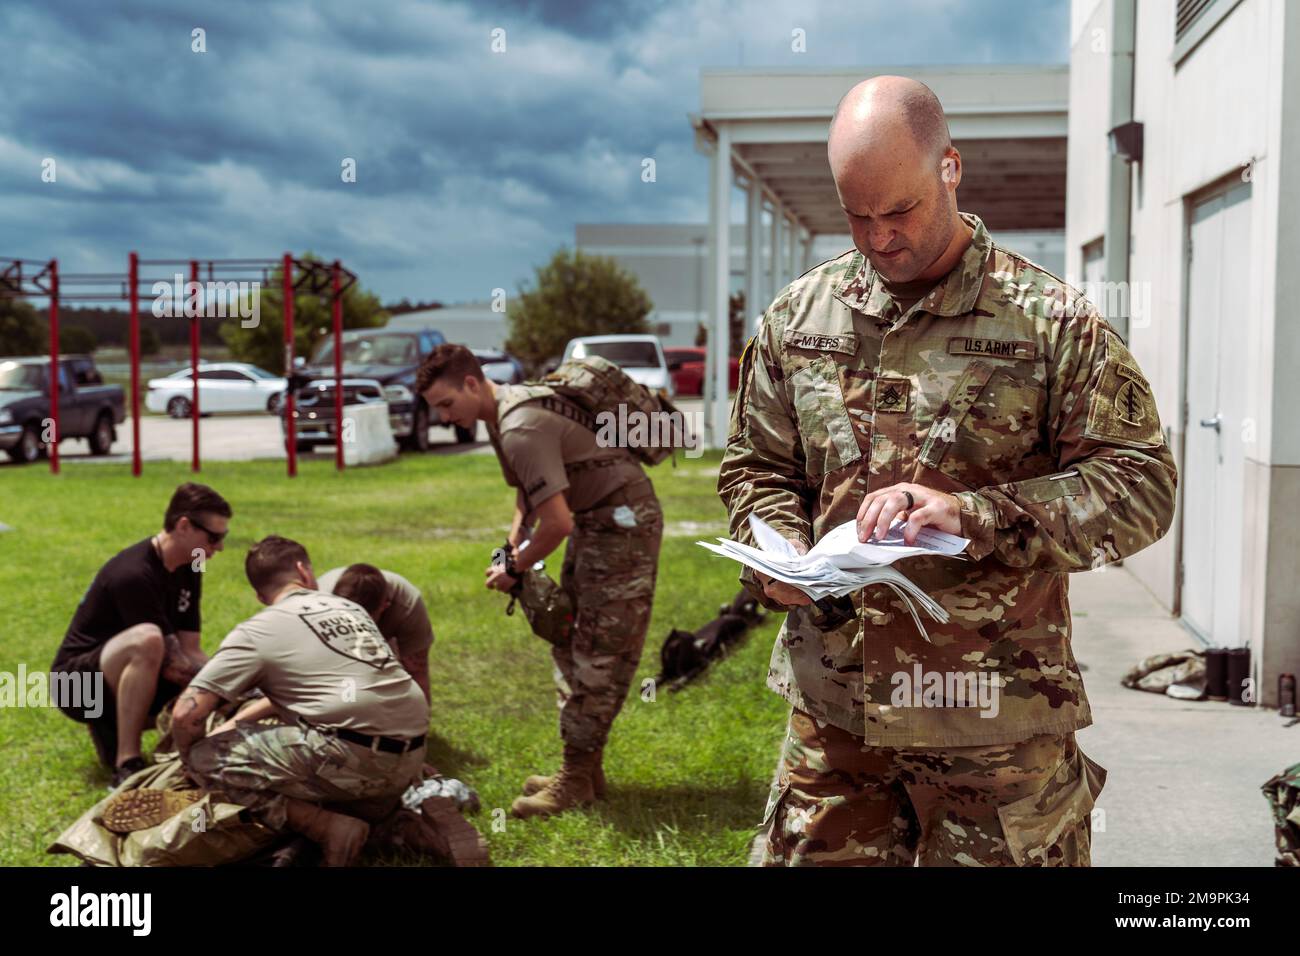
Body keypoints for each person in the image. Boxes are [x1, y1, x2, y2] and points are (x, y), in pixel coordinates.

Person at [717, 76, 1178, 866]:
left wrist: (976, 515)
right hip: (836, 724)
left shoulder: (1050, 322)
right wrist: (780, 550)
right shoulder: (799, 318)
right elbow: (756, 467)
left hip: (995, 732)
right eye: (856, 215)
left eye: (899, 211)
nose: (877, 238)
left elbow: (1141, 486)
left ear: (950, 169)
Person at [417, 344, 662, 818]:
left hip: (624, 524)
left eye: (447, 404)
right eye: (436, 410)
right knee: (568, 637)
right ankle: (585, 772)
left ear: (472, 383)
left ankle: (575, 779)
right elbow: (527, 495)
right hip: (600, 521)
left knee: (599, 649)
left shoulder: (520, 426)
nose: (445, 418)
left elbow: (556, 524)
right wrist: (512, 546)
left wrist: (515, 567)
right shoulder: (501, 417)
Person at [172, 535, 429, 867]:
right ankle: (401, 827)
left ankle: (327, 828)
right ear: (303, 571)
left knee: (204, 757)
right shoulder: (350, 608)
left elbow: (185, 714)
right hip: (414, 754)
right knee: (340, 774)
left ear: (258, 594)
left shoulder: (257, 631)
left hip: (355, 759)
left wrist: (190, 762)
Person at [51, 482, 230, 786]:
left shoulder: (191, 565)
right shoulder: (133, 573)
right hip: (76, 687)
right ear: (184, 526)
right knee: (149, 639)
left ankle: (114, 726)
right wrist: (224, 689)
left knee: (204, 684)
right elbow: (175, 665)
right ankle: (127, 763)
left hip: (126, 674)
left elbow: (191, 649)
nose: (219, 547)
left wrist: (228, 683)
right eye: (213, 538)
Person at [315, 564, 433, 703]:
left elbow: (417, 669)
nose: (359, 628)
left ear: (385, 606)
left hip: (387, 636)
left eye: (365, 621)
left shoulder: (407, 603)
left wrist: (421, 721)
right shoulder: (319, 602)